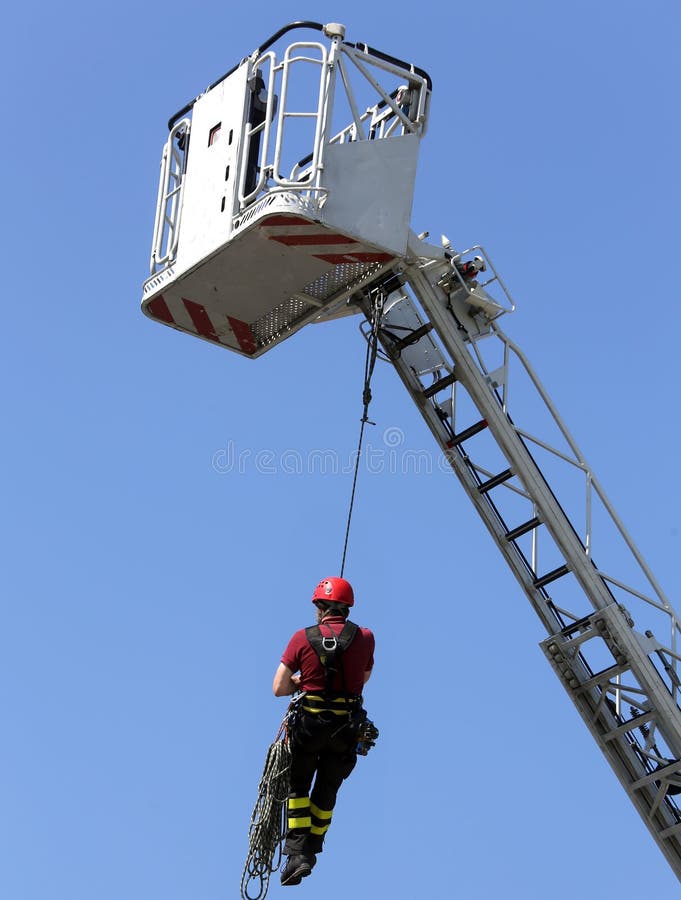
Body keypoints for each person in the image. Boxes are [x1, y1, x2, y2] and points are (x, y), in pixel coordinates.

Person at [272, 576, 375, 886]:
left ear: (320, 607)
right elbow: (364, 676)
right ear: (347, 608)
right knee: (327, 790)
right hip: (346, 730)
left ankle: (297, 854)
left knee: (299, 787)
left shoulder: (301, 639)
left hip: (309, 728)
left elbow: (279, 687)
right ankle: (311, 852)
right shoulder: (366, 638)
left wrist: (301, 682)